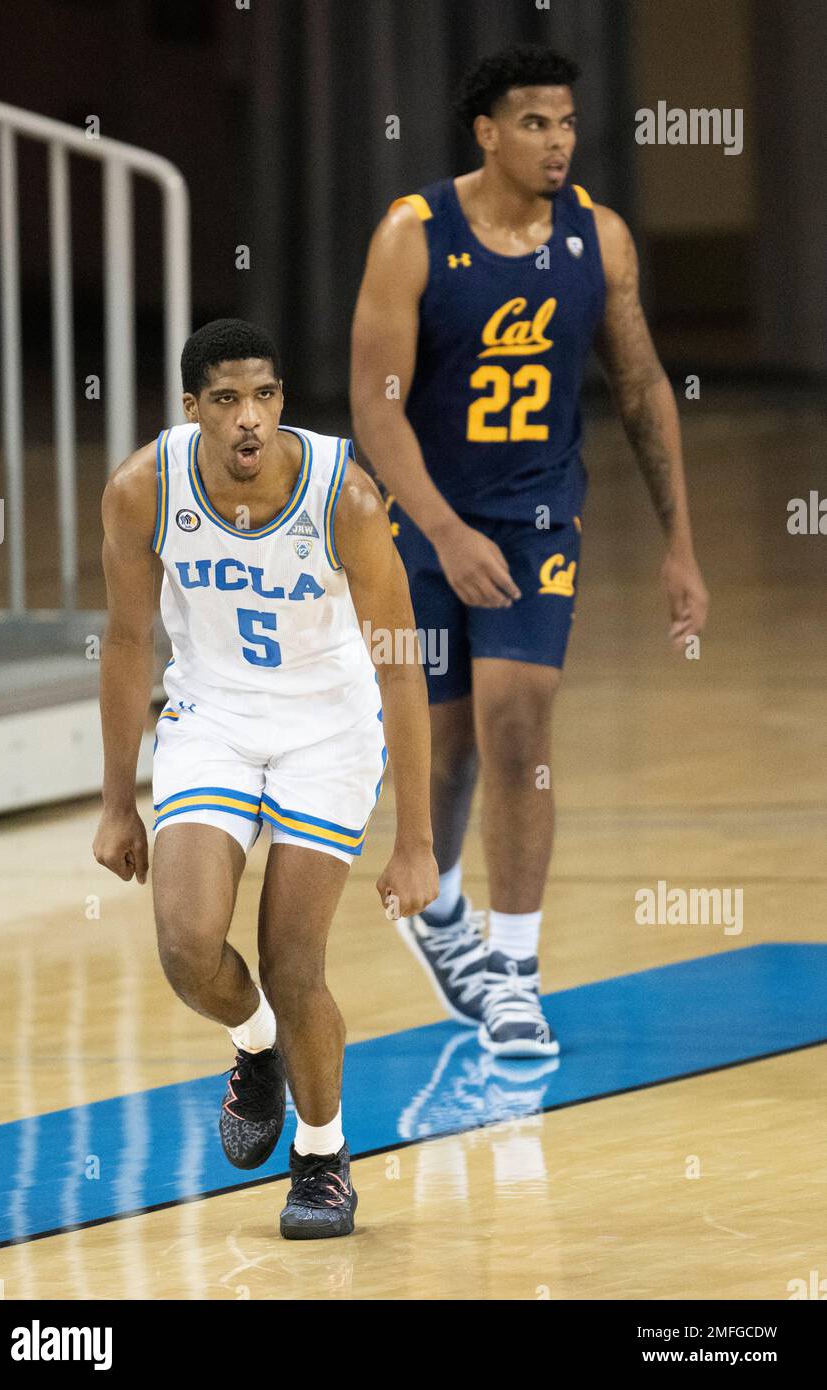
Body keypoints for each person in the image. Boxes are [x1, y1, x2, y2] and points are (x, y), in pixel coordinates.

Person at [350, 45, 708, 1057]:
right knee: (447, 744)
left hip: (537, 517)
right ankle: (442, 903)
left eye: (564, 123)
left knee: (517, 726)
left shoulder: (598, 239)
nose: (556, 142)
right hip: (423, 521)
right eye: (534, 123)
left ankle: (513, 970)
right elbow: (376, 413)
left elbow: (639, 389)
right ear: (485, 132)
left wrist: (679, 545)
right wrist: (444, 531)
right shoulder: (412, 236)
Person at [93, 318, 438, 1239]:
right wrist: (117, 800)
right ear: (192, 409)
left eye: (266, 395)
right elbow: (128, 643)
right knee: (185, 946)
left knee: (294, 962)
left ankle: (322, 1156)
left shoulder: (345, 498)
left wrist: (416, 841)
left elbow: (401, 664)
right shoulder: (143, 490)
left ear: (282, 400)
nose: (250, 418)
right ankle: (255, 1049)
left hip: (328, 731)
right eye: (228, 400)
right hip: (212, 719)